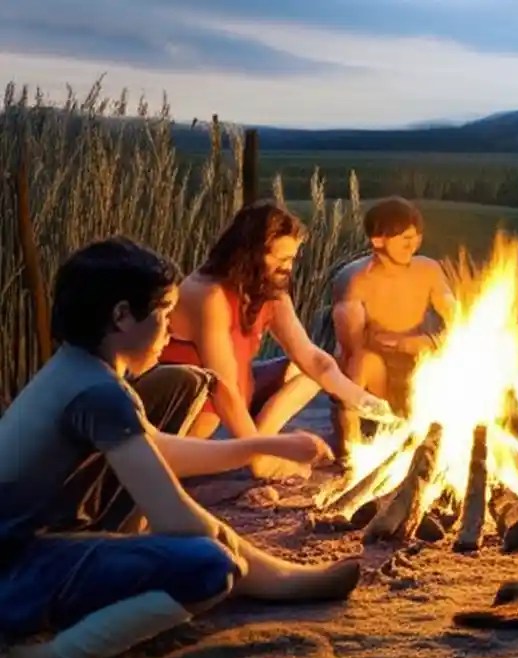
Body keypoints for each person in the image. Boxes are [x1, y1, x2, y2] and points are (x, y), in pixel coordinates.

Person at [0, 238, 362, 658]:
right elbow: (179, 521)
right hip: (14, 569)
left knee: (182, 385)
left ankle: (268, 577)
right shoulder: (97, 392)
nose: (171, 331)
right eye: (165, 315)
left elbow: (152, 450)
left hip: (34, 539)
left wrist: (268, 445)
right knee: (208, 566)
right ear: (122, 316)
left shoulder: (77, 367)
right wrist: (248, 564)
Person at [156, 200, 396, 480]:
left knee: (308, 372)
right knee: (213, 410)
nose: (288, 268)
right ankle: (254, 457)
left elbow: (311, 358)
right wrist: (258, 454)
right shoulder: (210, 296)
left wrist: (370, 404)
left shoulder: (269, 288)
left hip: (237, 388)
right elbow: (223, 388)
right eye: (280, 259)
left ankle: (261, 442)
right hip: (192, 401)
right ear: (250, 253)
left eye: (292, 259)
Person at [329, 197, 456, 459]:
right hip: (377, 375)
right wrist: (385, 345)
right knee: (362, 362)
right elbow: (348, 347)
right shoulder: (355, 280)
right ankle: (350, 451)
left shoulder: (428, 270)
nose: (412, 244)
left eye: (416, 236)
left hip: (419, 365)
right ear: (378, 240)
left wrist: (429, 342)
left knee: (452, 359)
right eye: (403, 237)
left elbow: (458, 318)